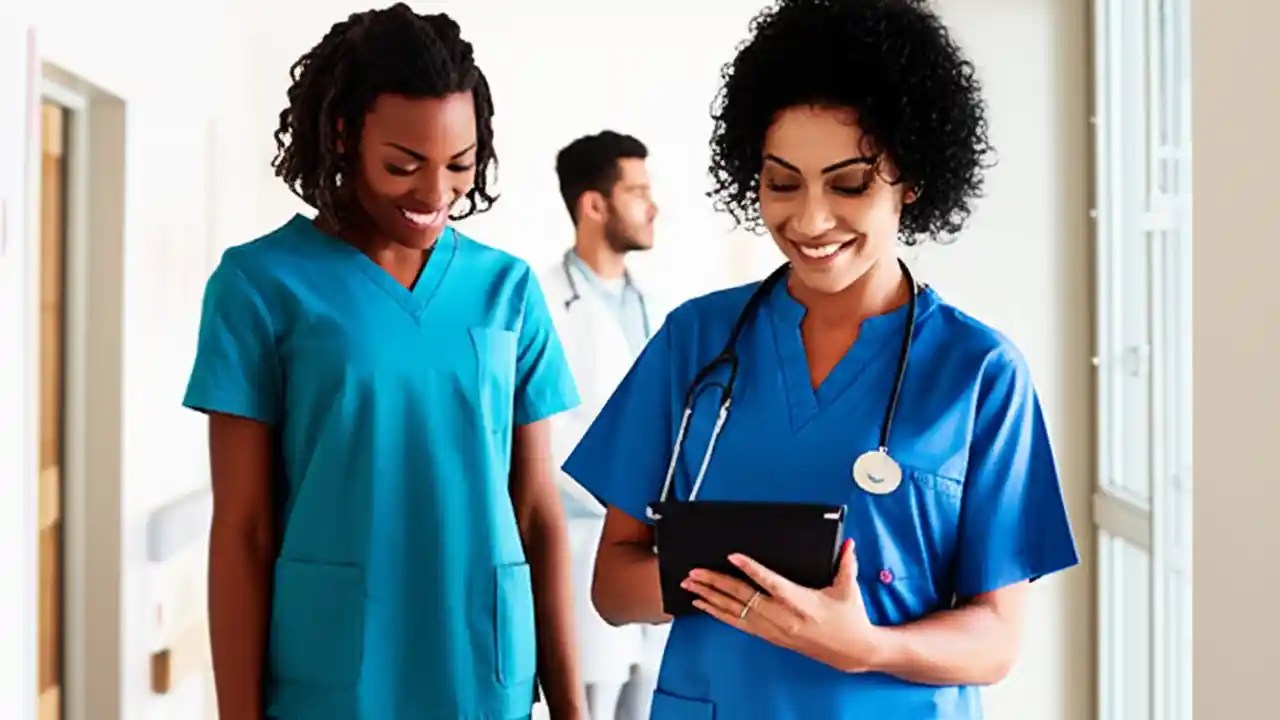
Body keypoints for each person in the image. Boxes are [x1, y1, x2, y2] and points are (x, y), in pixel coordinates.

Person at [561, 0, 1079, 717]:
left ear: (912, 179)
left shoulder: (980, 373)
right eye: (782, 183)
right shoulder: (696, 341)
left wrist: (864, 646)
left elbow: (995, 638)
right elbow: (613, 589)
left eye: (849, 184)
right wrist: (735, 582)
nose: (809, 220)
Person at [182, 5, 584, 719]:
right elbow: (243, 529)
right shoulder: (260, 286)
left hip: (482, 670)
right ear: (343, 135)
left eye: (459, 165)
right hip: (335, 679)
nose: (435, 195)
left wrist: (572, 708)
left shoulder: (508, 289)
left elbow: (536, 511)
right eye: (404, 165)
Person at [539, 131, 667, 720]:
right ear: (594, 205)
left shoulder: (658, 308)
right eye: (637, 192)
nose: (653, 207)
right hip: (583, 541)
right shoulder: (543, 302)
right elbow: (545, 438)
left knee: (654, 701)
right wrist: (622, 495)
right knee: (586, 702)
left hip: (658, 552)